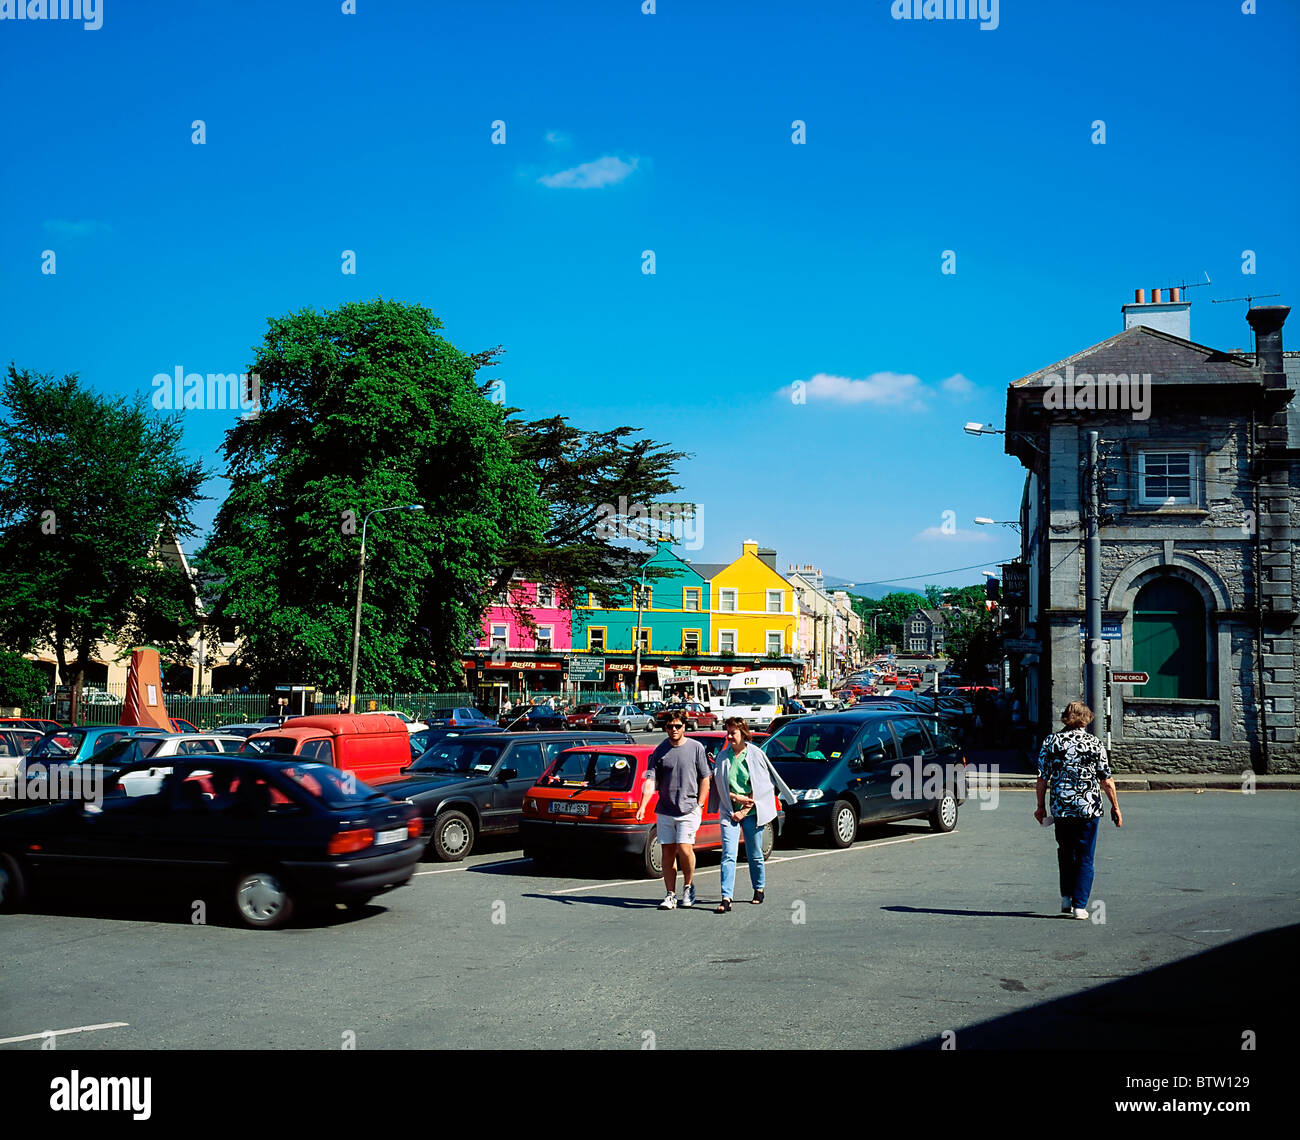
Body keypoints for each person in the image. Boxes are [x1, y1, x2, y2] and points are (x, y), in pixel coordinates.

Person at [1034, 700, 1123, 920]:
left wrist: (1040, 807)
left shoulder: (1051, 742)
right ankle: (1079, 906)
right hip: (1088, 808)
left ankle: (1066, 898)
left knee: (1065, 852)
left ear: (1065, 717)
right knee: (1085, 857)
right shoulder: (1095, 743)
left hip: (1062, 808)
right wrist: (1116, 807)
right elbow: (1107, 780)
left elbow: (1042, 779)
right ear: (1087, 719)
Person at [710, 717, 796, 913]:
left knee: (754, 853)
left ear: (743, 733)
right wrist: (735, 798)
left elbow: (762, 785)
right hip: (729, 810)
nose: (729, 736)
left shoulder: (755, 754)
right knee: (728, 855)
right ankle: (726, 897)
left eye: (733, 732)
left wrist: (745, 809)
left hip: (752, 812)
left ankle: (759, 888)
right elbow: (720, 786)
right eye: (728, 732)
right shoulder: (723, 757)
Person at [636, 713, 711, 910]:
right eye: (670, 726)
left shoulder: (696, 748)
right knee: (667, 852)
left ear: (684, 727)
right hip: (665, 810)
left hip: (688, 809)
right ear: (666, 728)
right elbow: (650, 781)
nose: (674, 729)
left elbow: (705, 778)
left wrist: (700, 804)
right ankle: (670, 894)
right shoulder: (660, 751)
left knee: (685, 848)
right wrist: (643, 806)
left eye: (677, 725)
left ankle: (688, 885)